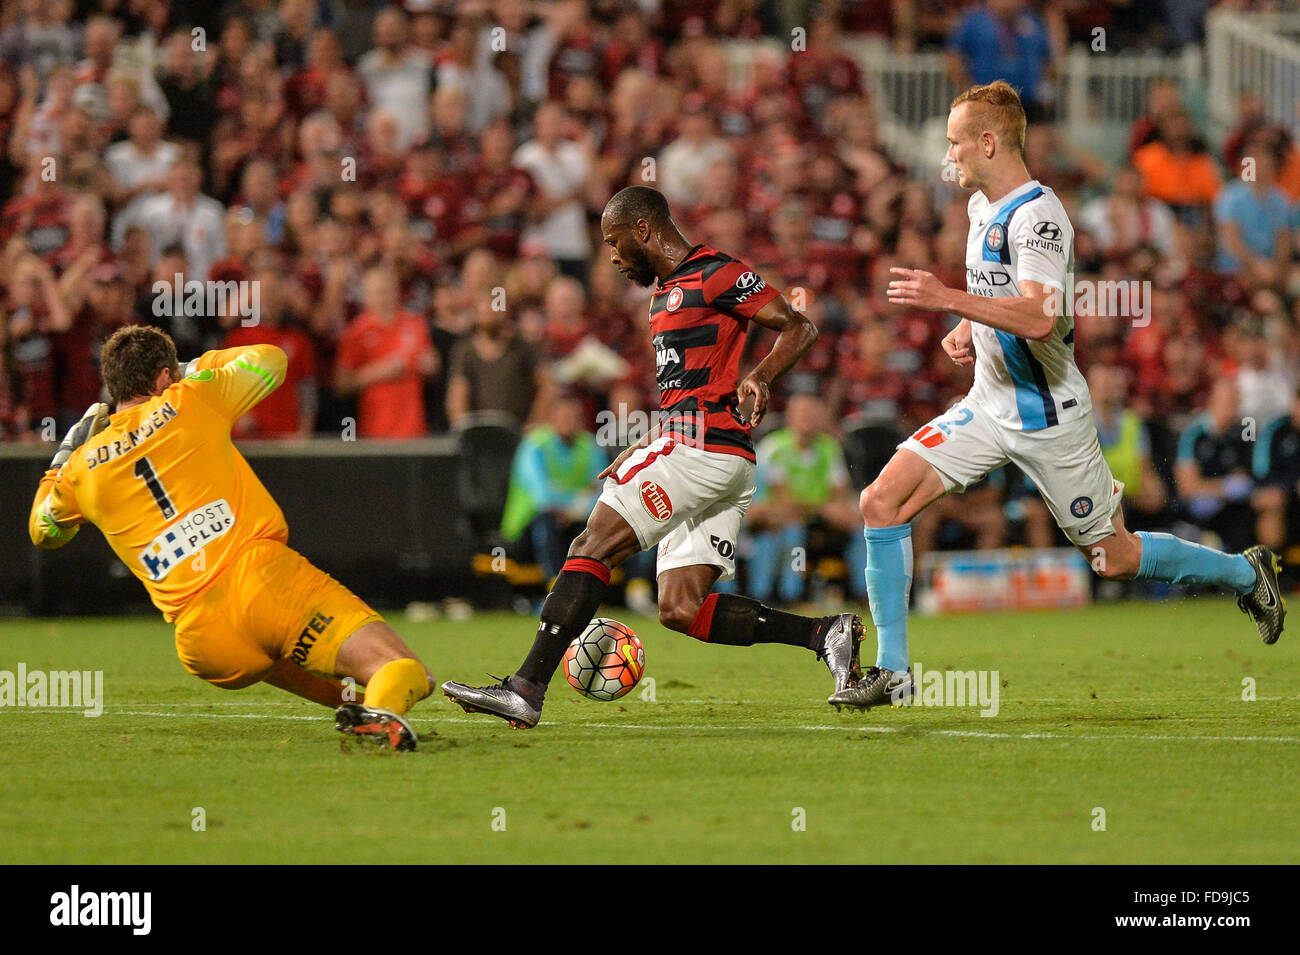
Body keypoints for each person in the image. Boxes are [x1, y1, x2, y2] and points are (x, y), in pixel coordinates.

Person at [834, 81, 1284, 711]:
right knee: (881, 501)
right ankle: (894, 671)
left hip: (1049, 418)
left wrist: (948, 301)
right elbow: (998, 288)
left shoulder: (1040, 216)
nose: (949, 155)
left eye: (956, 142)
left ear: (988, 142)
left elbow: (1042, 317)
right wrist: (967, 326)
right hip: (988, 403)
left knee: (1115, 557)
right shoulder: (979, 209)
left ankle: (1245, 572)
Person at [441, 185, 864, 729]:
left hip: (701, 446)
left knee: (591, 543)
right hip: (719, 458)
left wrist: (760, 376)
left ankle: (525, 689)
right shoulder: (662, 297)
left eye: (615, 243)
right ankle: (822, 633)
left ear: (643, 230)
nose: (613, 257)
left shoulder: (714, 271)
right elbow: (688, 389)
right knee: (681, 608)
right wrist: (652, 439)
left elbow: (798, 325)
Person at [27, 325, 433, 750]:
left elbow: (44, 531)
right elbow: (271, 361)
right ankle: (382, 715)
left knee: (312, 665)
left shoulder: (83, 467)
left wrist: (62, 460)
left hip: (203, 643)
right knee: (406, 670)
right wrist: (192, 368)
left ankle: (365, 710)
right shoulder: (189, 399)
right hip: (259, 581)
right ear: (164, 377)